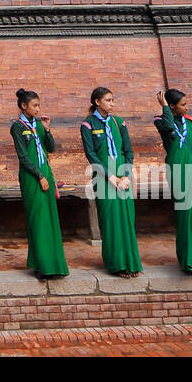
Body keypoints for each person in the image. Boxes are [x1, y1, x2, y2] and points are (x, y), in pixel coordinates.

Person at [154, 89, 192, 277]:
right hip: (178, 169)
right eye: (183, 104)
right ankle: (191, 262)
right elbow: (167, 127)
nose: (187, 107)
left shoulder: (191, 122)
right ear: (172, 105)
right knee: (186, 215)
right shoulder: (160, 120)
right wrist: (164, 107)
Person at [81, 87, 142, 277]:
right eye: (108, 100)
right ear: (97, 102)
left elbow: (128, 150)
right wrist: (110, 176)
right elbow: (90, 154)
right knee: (111, 221)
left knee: (126, 219)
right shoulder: (87, 125)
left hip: (123, 177)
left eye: (113, 100)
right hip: (103, 178)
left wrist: (126, 174)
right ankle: (117, 265)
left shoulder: (118, 122)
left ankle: (131, 263)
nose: (112, 103)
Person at [10, 88, 68, 279]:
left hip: (46, 174)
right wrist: (39, 176)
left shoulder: (38, 123)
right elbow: (23, 156)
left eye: (39, 105)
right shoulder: (17, 127)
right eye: (34, 105)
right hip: (31, 177)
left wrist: (48, 129)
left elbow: (50, 148)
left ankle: (54, 264)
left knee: (50, 219)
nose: (37, 108)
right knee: (37, 220)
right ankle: (41, 266)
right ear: (23, 106)